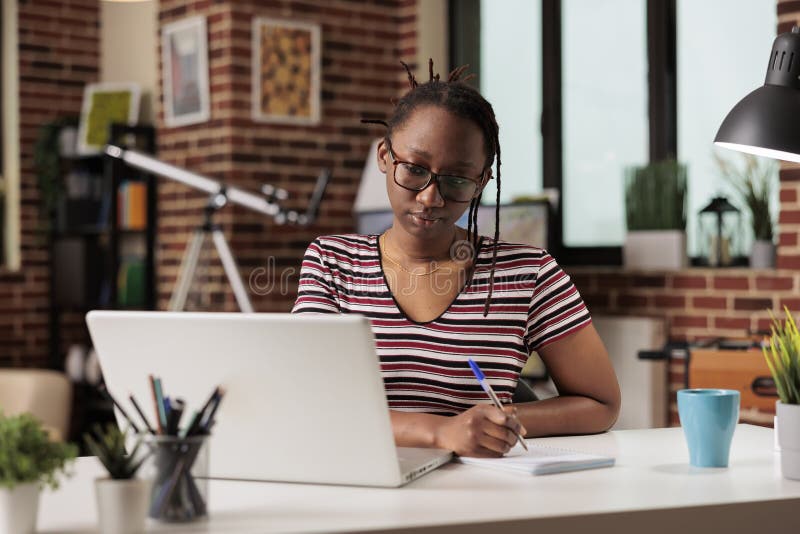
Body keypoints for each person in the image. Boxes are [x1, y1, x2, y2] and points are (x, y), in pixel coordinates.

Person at [293, 60, 620, 458]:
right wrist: (440, 431)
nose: (431, 198)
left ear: (482, 181)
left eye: (457, 180)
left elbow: (601, 403)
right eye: (414, 170)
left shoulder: (528, 273)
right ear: (384, 156)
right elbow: (309, 401)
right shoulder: (332, 262)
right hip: (362, 481)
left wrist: (501, 422)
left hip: (484, 493)